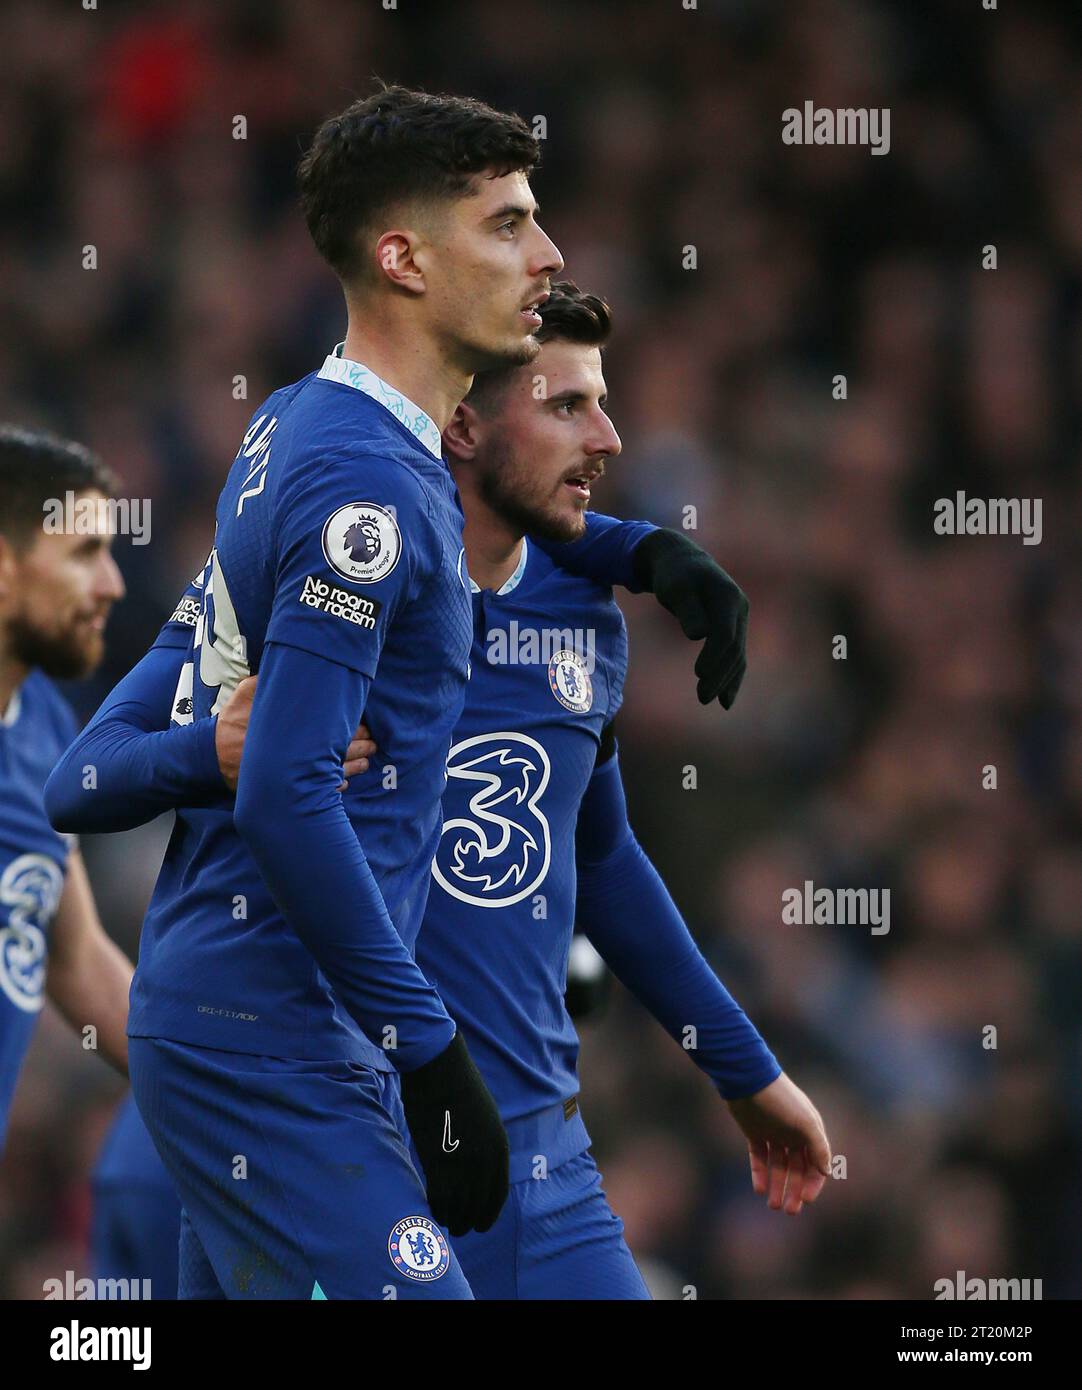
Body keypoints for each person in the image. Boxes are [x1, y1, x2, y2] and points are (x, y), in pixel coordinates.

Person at [50, 284, 826, 1299]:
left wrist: (744, 1070)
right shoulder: (317, 588)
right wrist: (211, 749)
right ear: (458, 421)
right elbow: (88, 774)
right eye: (564, 406)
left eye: (599, 402)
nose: (607, 435)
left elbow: (596, 858)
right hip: (361, 1135)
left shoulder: (578, 612)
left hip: (541, 1161)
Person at [0, 426, 132, 1156]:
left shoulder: (42, 722)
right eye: (85, 554)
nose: (113, 583)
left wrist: (234, 1095)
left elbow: (75, 957)